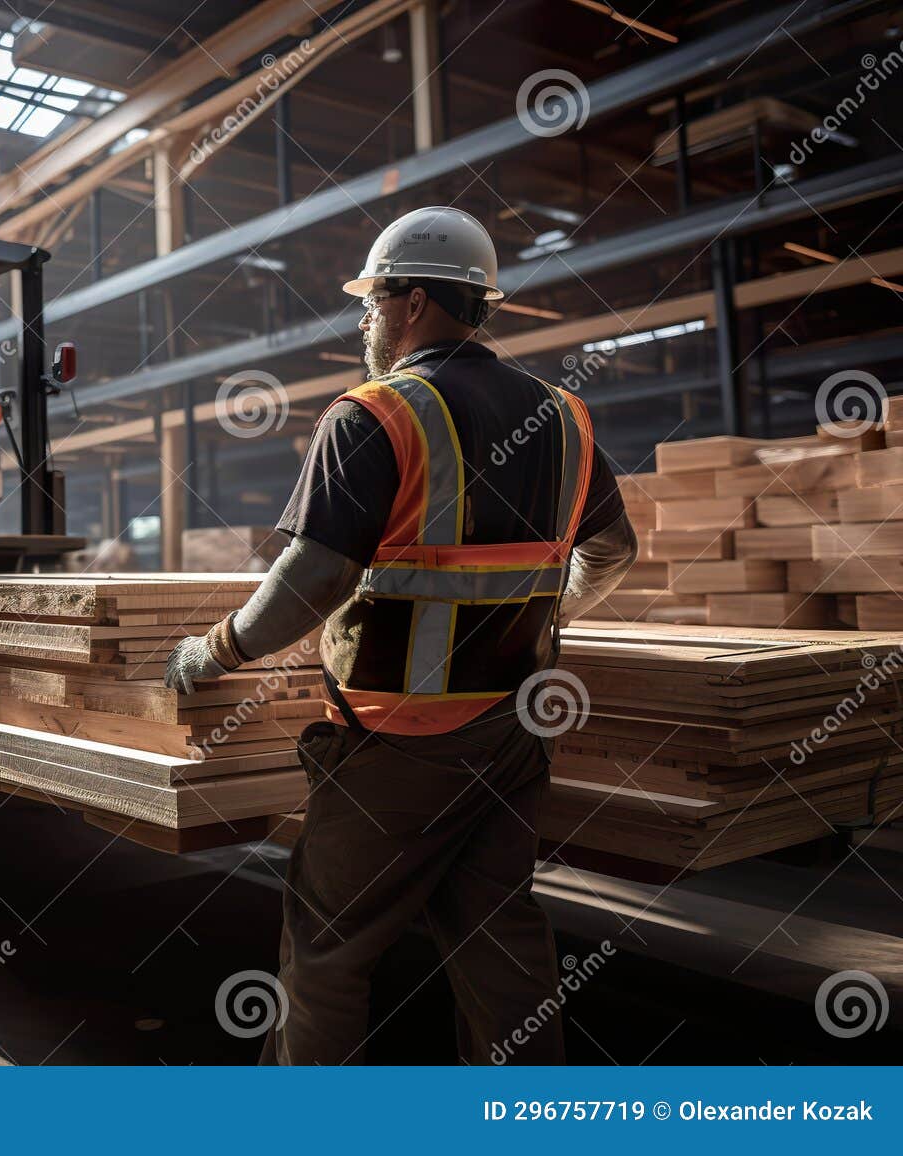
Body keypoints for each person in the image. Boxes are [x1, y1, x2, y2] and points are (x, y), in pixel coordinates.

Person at [164, 206, 636, 1065]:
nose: (365, 320)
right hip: (513, 732)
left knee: (328, 949)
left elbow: (312, 579)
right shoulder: (564, 416)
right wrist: (549, 613)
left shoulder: (375, 415)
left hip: (394, 742)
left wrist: (219, 649)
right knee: (502, 946)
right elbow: (613, 548)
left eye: (373, 301)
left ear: (413, 302)